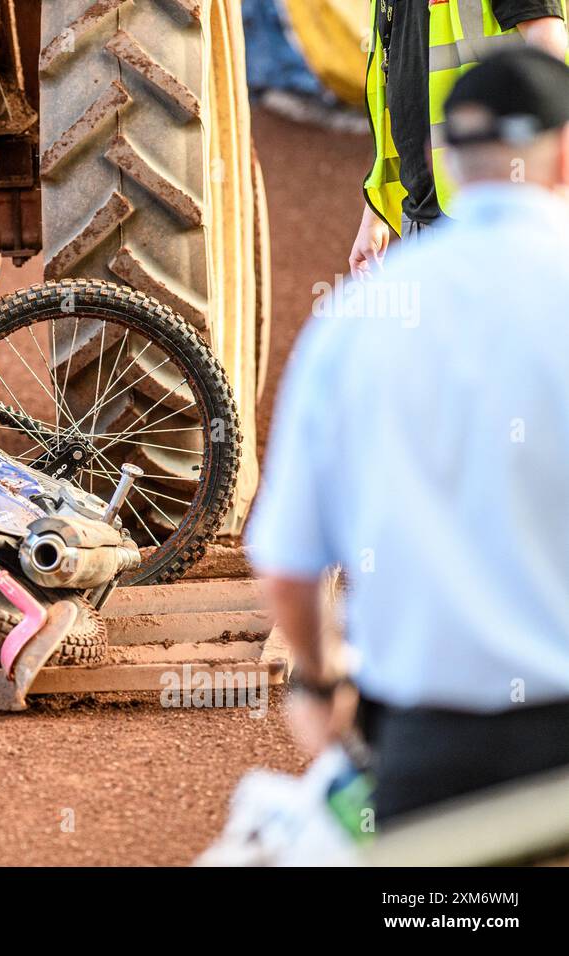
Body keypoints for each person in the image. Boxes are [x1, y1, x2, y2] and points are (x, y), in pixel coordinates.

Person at [251, 48, 569, 825]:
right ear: (564, 152)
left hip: (429, 759)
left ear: (446, 161)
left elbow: (288, 568)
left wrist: (323, 686)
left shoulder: (358, 319)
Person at [349, 0, 567, 274]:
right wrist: (374, 212)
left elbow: (549, 54)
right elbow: (400, 91)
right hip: (425, 212)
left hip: (498, 216)